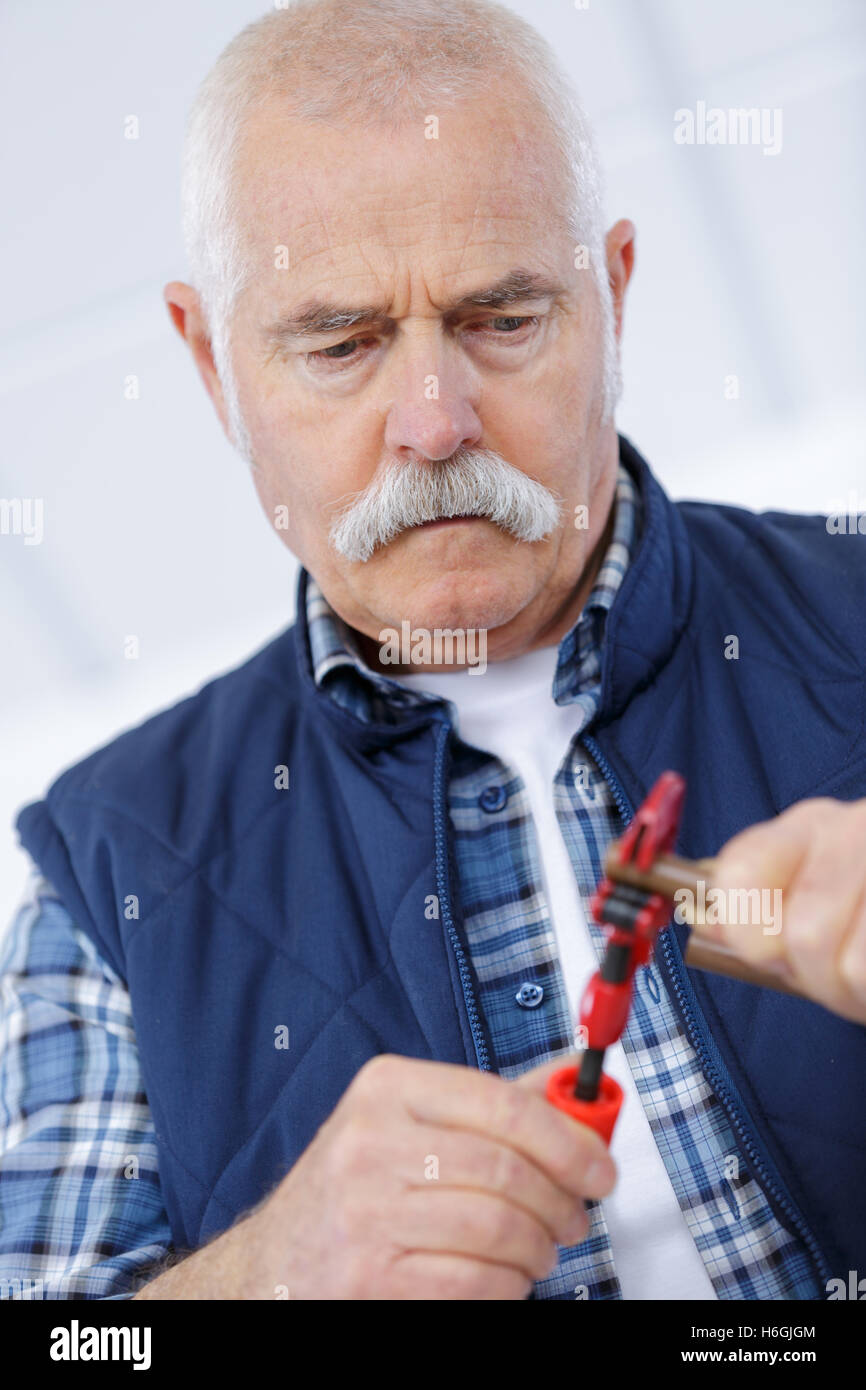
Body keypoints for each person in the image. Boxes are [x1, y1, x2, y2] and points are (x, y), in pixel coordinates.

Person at [2, 0, 864, 1302]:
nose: (432, 421)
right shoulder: (105, 872)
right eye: (341, 343)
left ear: (613, 298)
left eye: (502, 319)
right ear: (209, 365)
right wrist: (265, 1276)